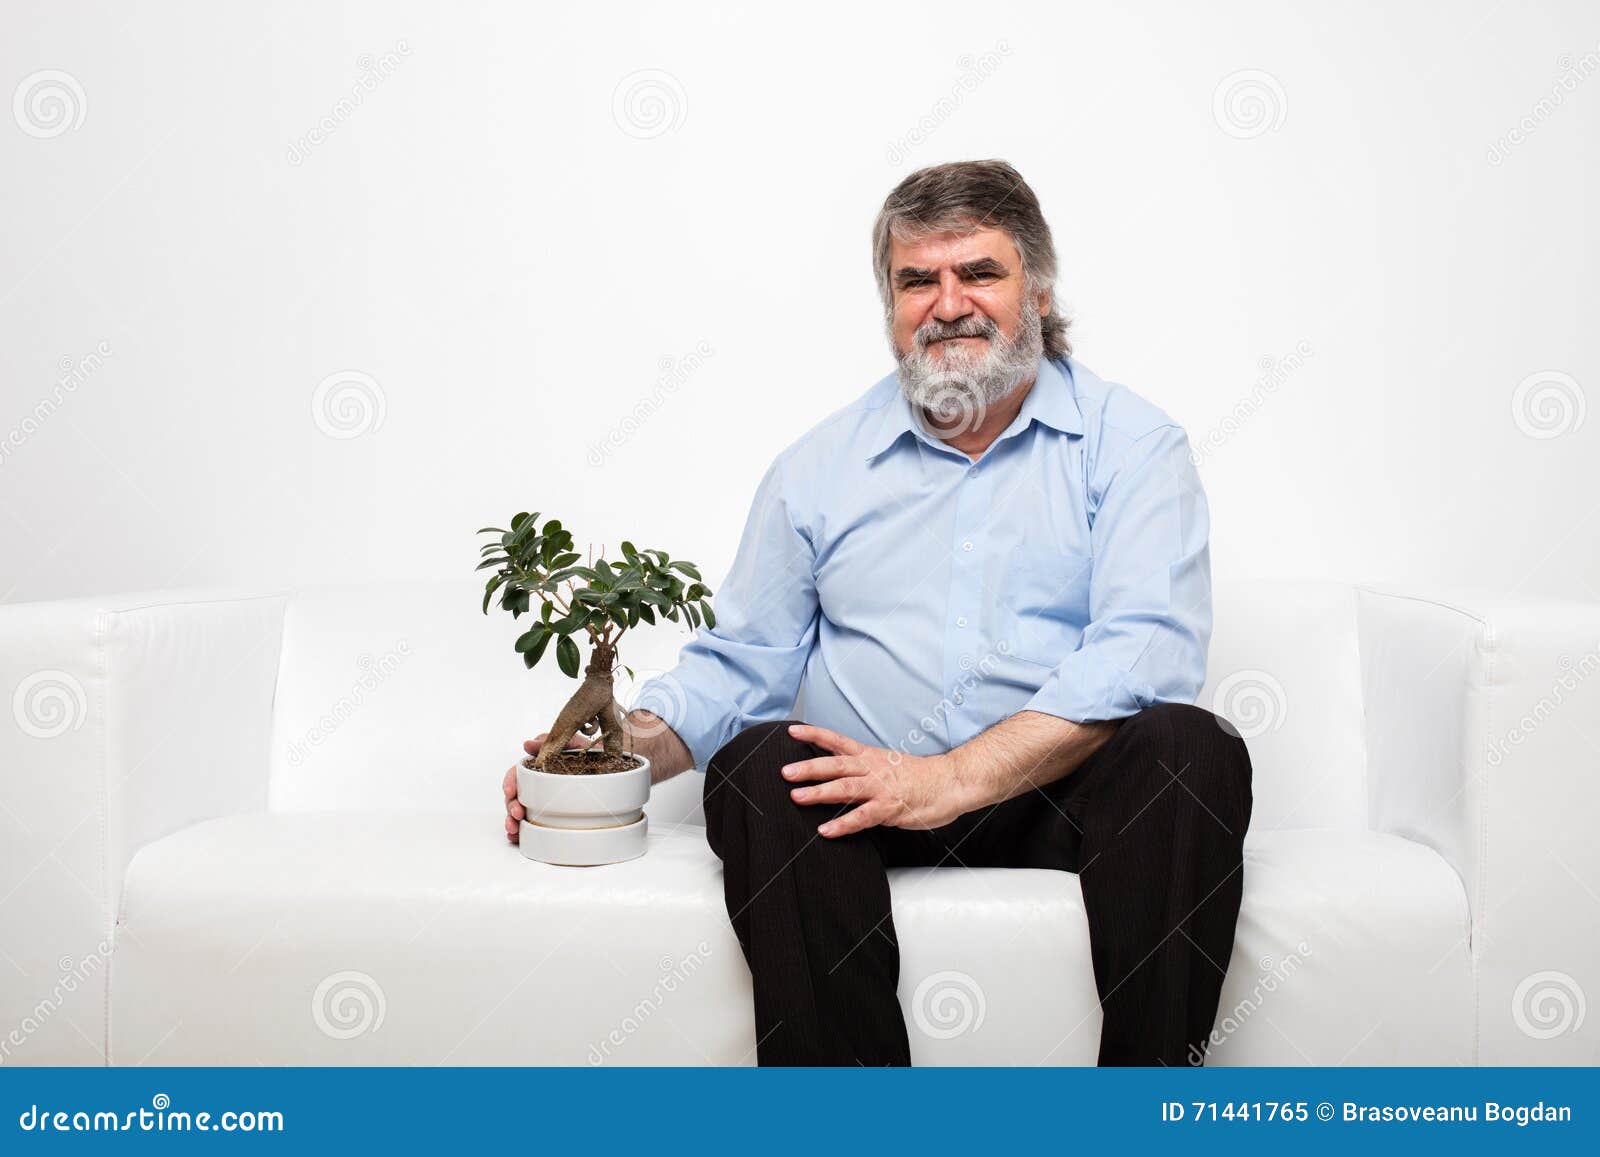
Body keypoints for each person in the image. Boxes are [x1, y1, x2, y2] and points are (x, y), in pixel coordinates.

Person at [502, 159, 1252, 1066]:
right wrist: (610, 752)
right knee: (755, 766)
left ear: (1039, 295)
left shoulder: (1133, 446)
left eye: (979, 272)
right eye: (916, 280)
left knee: (1190, 748)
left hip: (1064, 796)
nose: (948, 303)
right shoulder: (819, 466)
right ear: (891, 306)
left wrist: (950, 778)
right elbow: (741, 664)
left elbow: (1146, 653)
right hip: (869, 806)